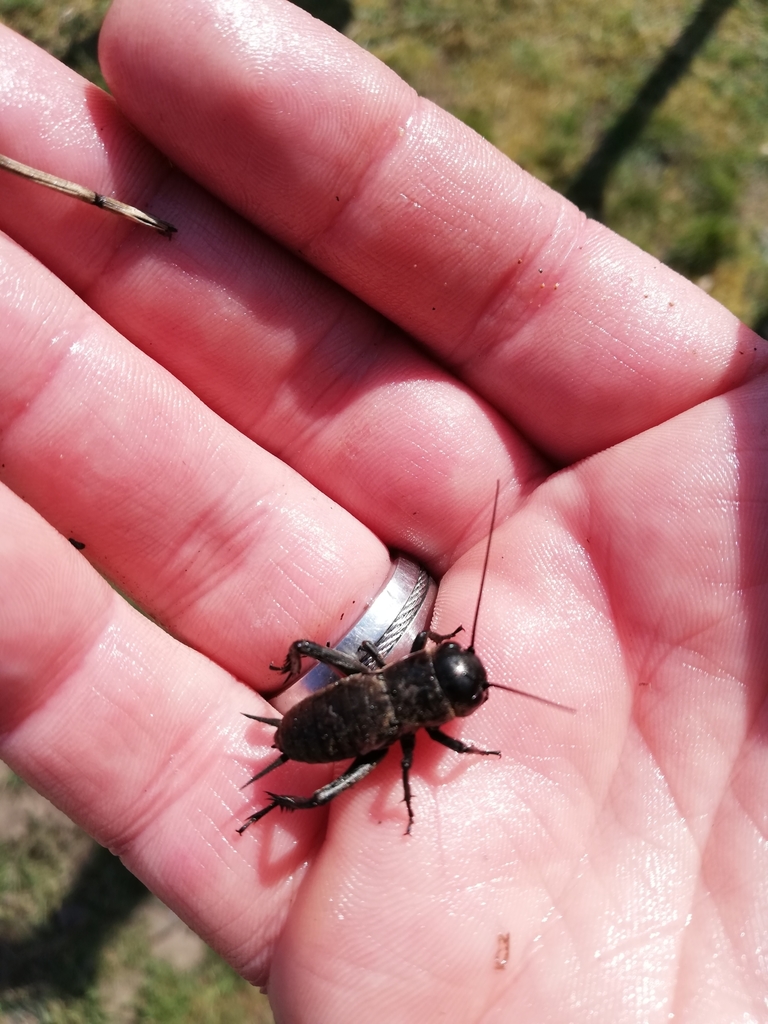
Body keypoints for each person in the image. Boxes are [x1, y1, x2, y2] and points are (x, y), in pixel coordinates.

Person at [1, 0, 766, 1018]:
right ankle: (271, 771)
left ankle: (271, 770)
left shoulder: (403, 686)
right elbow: (405, 768)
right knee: (344, 775)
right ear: (434, 696)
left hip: (331, 713)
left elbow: (399, 747)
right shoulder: (412, 715)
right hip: (331, 716)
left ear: (431, 688)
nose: (449, 689)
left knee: (331, 774)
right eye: (455, 692)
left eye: (453, 687)